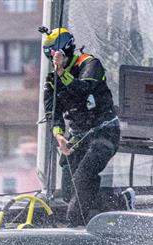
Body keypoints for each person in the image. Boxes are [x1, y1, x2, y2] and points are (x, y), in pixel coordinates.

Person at [42, 27, 121, 226]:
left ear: (66, 51)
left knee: (82, 178)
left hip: (105, 132)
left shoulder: (90, 64)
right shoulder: (52, 81)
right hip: (79, 136)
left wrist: (62, 73)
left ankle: (75, 225)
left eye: (58, 56)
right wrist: (59, 135)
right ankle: (119, 203)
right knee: (69, 191)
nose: (56, 62)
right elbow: (53, 113)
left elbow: (83, 89)